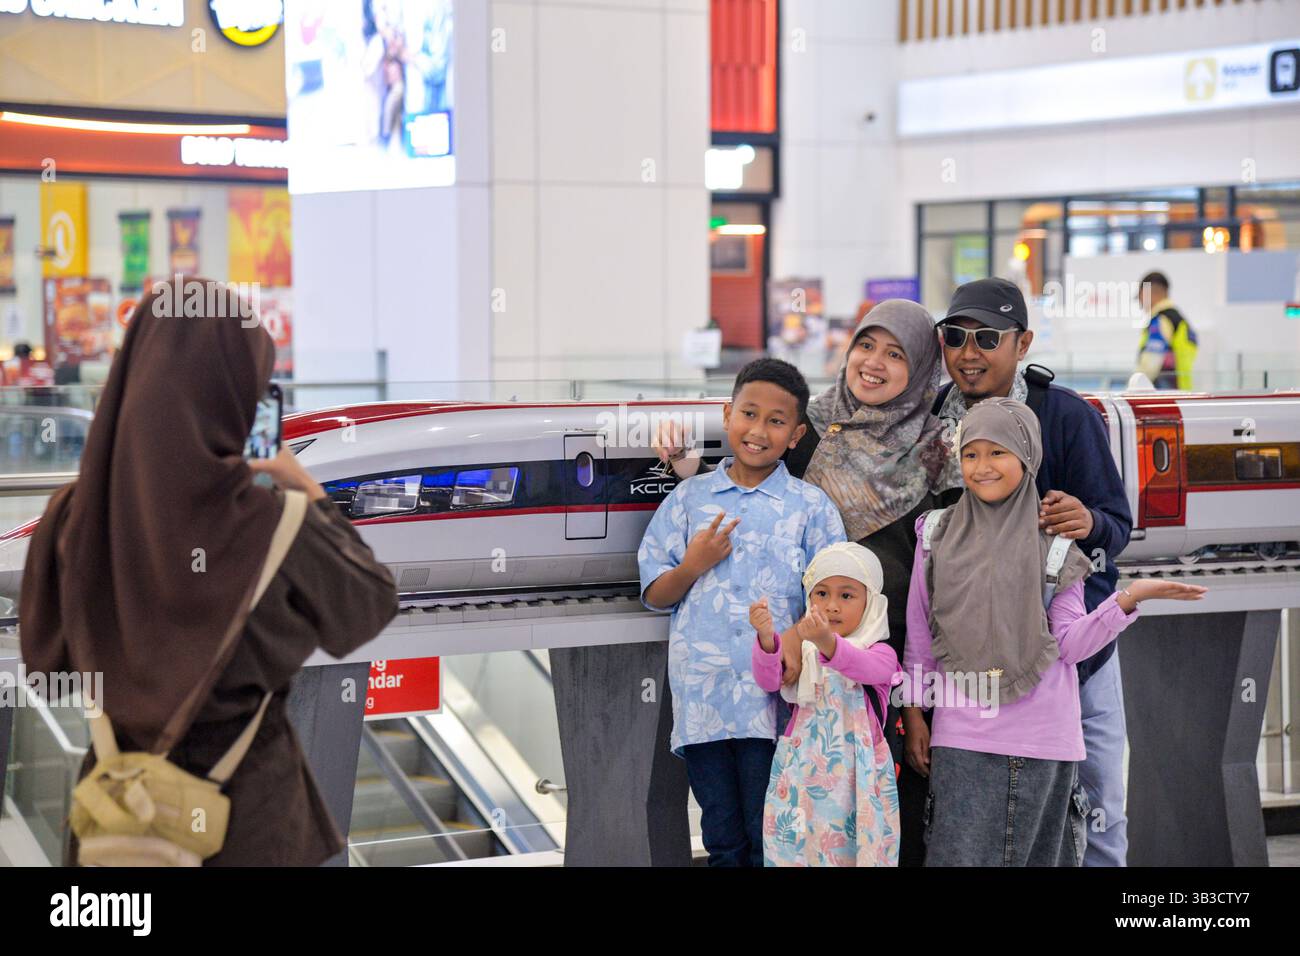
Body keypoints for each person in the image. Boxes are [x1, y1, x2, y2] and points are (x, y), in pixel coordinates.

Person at [19, 277, 399, 866]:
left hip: (118, 822)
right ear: (234, 392)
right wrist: (310, 492)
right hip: (249, 824)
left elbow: (49, 668)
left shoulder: (71, 517)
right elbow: (368, 606)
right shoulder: (276, 524)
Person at [654, 299, 950, 865]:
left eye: (895, 354)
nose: (874, 363)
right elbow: (752, 447)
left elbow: (943, 572)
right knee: (789, 828)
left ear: (919, 368)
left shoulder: (939, 448)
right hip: (801, 680)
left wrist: (914, 698)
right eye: (866, 345)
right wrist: (683, 468)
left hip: (895, 660)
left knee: (885, 824)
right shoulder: (815, 426)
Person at [901, 398, 1205, 866]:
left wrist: (1129, 599)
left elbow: (1068, 644)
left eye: (998, 452)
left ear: (1027, 457)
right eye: (971, 454)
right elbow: (921, 636)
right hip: (961, 737)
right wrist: (916, 715)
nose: (982, 467)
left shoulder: (1056, 548)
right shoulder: (935, 535)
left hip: (1042, 740)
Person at [931, 276, 1134, 867]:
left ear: (1022, 343)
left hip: (1074, 651)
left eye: (988, 337)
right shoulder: (929, 424)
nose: (969, 353)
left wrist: (1086, 521)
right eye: (956, 337)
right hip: (974, 662)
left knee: (1097, 804)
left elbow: (1116, 526)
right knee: (982, 814)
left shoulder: (1064, 415)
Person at [638, 358, 845, 867]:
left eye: (776, 421)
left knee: (769, 831)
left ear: (796, 434)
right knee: (721, 834)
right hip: (702, 701)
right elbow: (655, 593)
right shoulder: (688, 500)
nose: (758, 431)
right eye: (748, 414)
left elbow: (836, 599)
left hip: (773, 702)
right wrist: (693, 564)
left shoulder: (810, 507)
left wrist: (796, 637)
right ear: (727, 413)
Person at [751, 541, 901, 866]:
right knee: (797, 853)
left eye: (846, 596)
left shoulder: (880, 653)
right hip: (801, 775)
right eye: (821, 594)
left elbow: (864, 668)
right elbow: (770, 680)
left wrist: (824, 642)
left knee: (856, 852)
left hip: (858, 780)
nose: (831, 606)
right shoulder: (804, 654)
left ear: (871, 602)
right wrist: (766, 640)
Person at [1136, 271, 1197, 390]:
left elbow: (1149, 365)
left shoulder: (1161, 320)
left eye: (1140, 296)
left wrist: (1132, 390)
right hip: (1181, 393)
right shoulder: (1180, 321)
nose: (1140, 302)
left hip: (1163, 394)